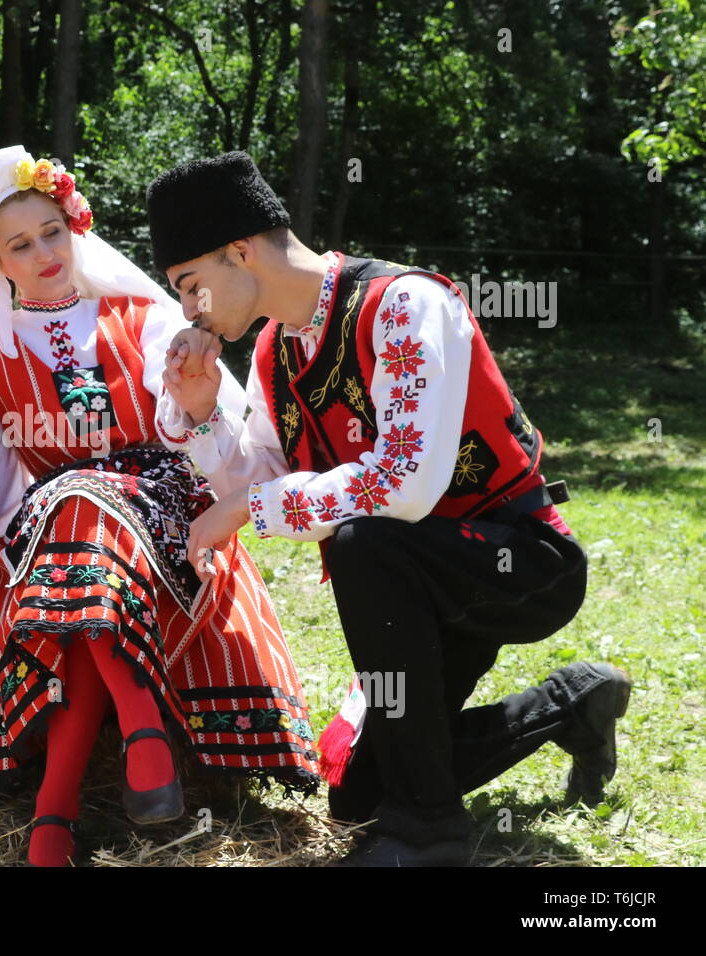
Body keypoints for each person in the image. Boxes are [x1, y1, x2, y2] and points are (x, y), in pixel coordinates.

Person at [145, 151, 631, 866]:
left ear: (240, 251)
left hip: (515, 561)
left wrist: (250, 504)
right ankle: (572, 703)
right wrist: (200, 415)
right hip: (413, 585)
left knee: (362, 540)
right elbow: (263, 475)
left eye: (191, 286)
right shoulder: (278, 351)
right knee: (360, 792)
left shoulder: (402, 304)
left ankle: (430, 832)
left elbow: (404, 482)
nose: (190, 311)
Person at [0, 146, 319, 867]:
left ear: (75, 226)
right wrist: (4, 539)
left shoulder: (139, 314)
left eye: (53, 231)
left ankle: (53, 814)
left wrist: (188, 398)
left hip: (158, 496)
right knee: (71, 505)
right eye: (20, 244)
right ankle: (137, 729)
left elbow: (186, 424)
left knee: (82, 504)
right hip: (55, 522)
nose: (44, 252)